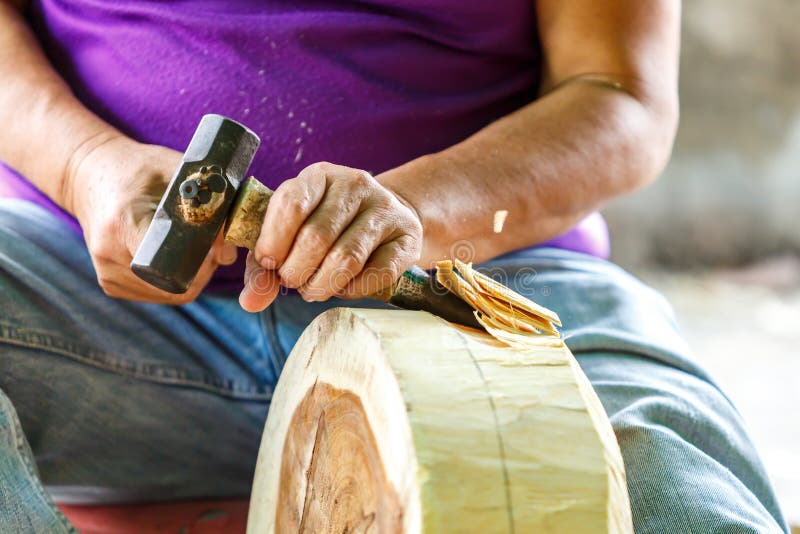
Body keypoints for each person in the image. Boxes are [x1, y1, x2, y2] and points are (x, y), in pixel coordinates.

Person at [0, 0, 788, 532]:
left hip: (480, 281)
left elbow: (620, 93)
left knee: (665, 470)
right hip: (85, 291)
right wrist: (82, 163)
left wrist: (421, 209)